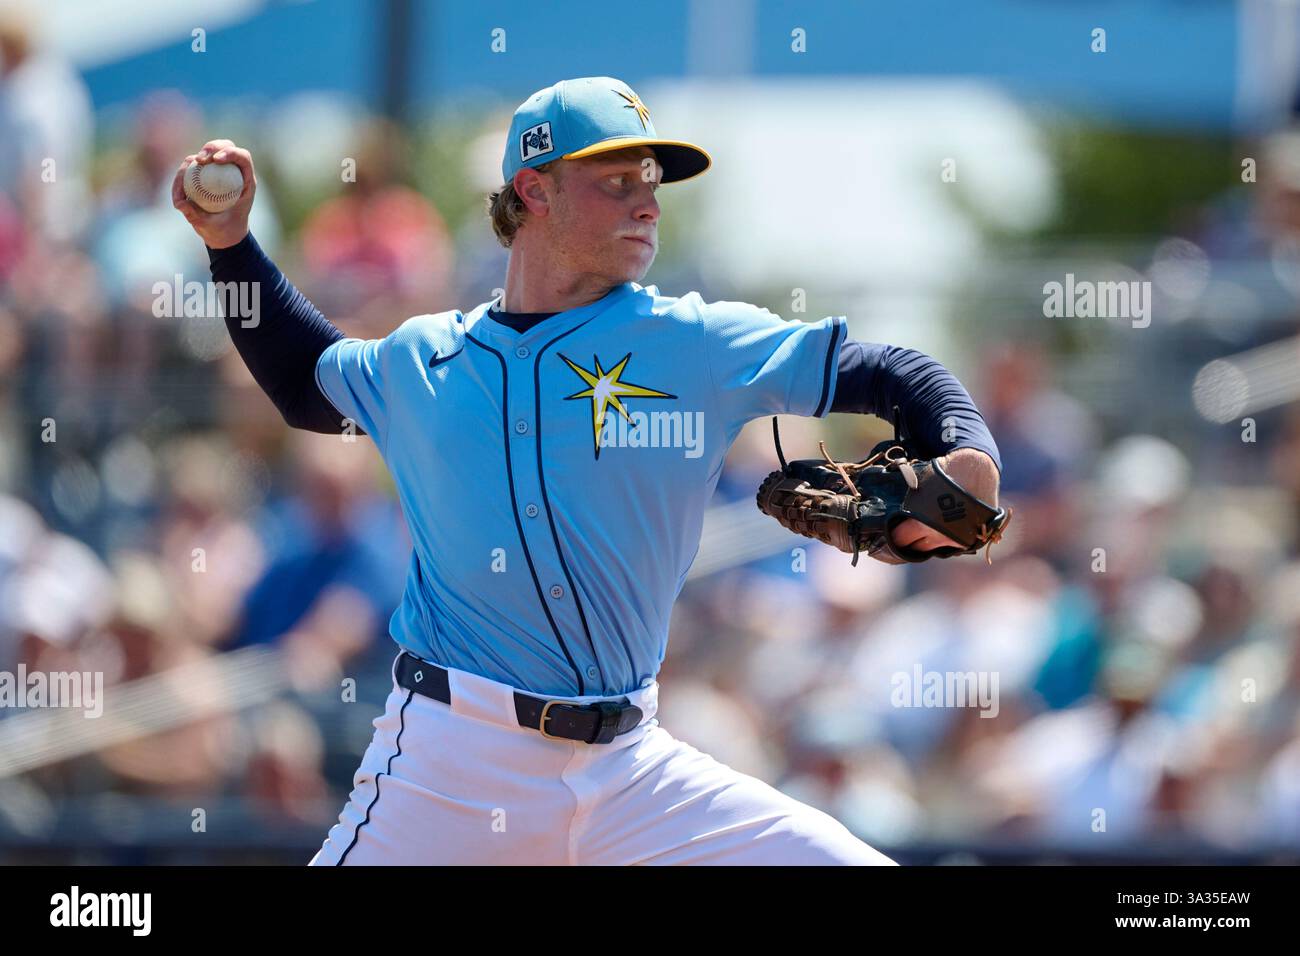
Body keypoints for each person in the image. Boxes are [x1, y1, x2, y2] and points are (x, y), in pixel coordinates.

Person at [173, 77, 1002, 865]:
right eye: (616, 180)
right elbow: (308, 378)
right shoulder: (426, 360)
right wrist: (230, 245)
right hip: (452, 767)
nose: (647, 201)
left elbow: (889, 370)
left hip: (634, 773)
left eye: (652, 181)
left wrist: (969, 446)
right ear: (533, 191)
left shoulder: (696, 341)